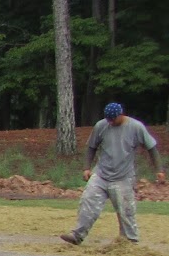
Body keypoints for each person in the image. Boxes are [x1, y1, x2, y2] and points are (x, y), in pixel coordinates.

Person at [60, 102, 163, 245]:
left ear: (121, 115)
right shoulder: (101, 126)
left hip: (123, 176)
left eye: (113, 119)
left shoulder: (136, 127)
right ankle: (77, 235)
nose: (111, 122)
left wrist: (159, 170)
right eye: (108, 119)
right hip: (101, 174)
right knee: (88, 201)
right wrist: (86, 168)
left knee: (126, 210)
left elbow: (152, 148)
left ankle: (129, 241)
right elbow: (91, 147)